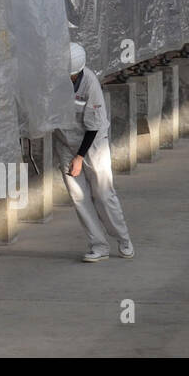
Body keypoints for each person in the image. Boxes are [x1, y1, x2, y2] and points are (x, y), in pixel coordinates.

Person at [56, 43, 134, 262]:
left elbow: (93, 127)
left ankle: (123, 238)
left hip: (93, 145)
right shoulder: (54, 79)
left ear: (79, 71)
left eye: (71, 76)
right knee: (79, 198)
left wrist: (80, 158)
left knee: (103, 194)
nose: (68, 79)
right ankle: (98, 245)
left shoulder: (90, 84)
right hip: (64, 143)